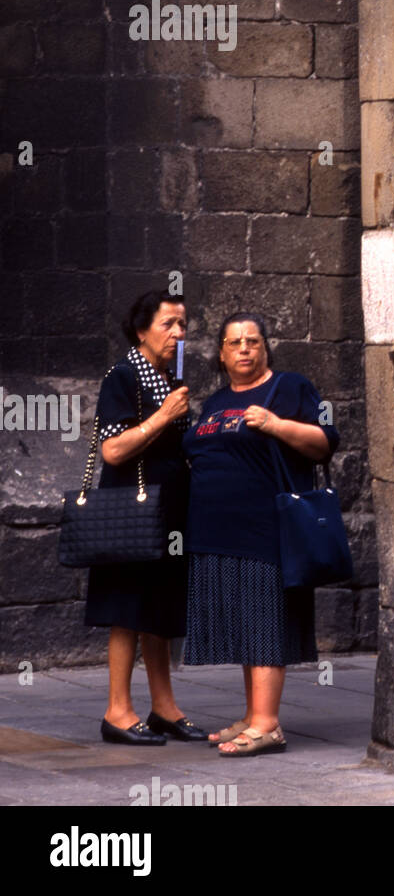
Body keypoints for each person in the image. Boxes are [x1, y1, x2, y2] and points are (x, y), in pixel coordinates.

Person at [183, 313, 340, 757]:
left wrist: (275, 424)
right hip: (217, 531)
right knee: (244, 622)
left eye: (252, 341)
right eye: (234, 343)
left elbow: (326, 441)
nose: (244, 349)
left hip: (266, 530)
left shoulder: (291, 388)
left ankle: (268, 725)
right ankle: (254, 715)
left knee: (266, 620)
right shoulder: (216, 401)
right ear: (221, 353)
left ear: (265, 347)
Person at [85, 290, 208, 745]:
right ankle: (117, 711)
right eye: (168, 324)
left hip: (168, 507)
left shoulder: (168, 376)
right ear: (142, 330)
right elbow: (113, 450)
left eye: (183, 325)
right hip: (131, 507)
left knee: (159, 604)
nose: (178, 333)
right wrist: (163, 416)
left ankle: (164, 707)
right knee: (128, 607)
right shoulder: (123, 375)